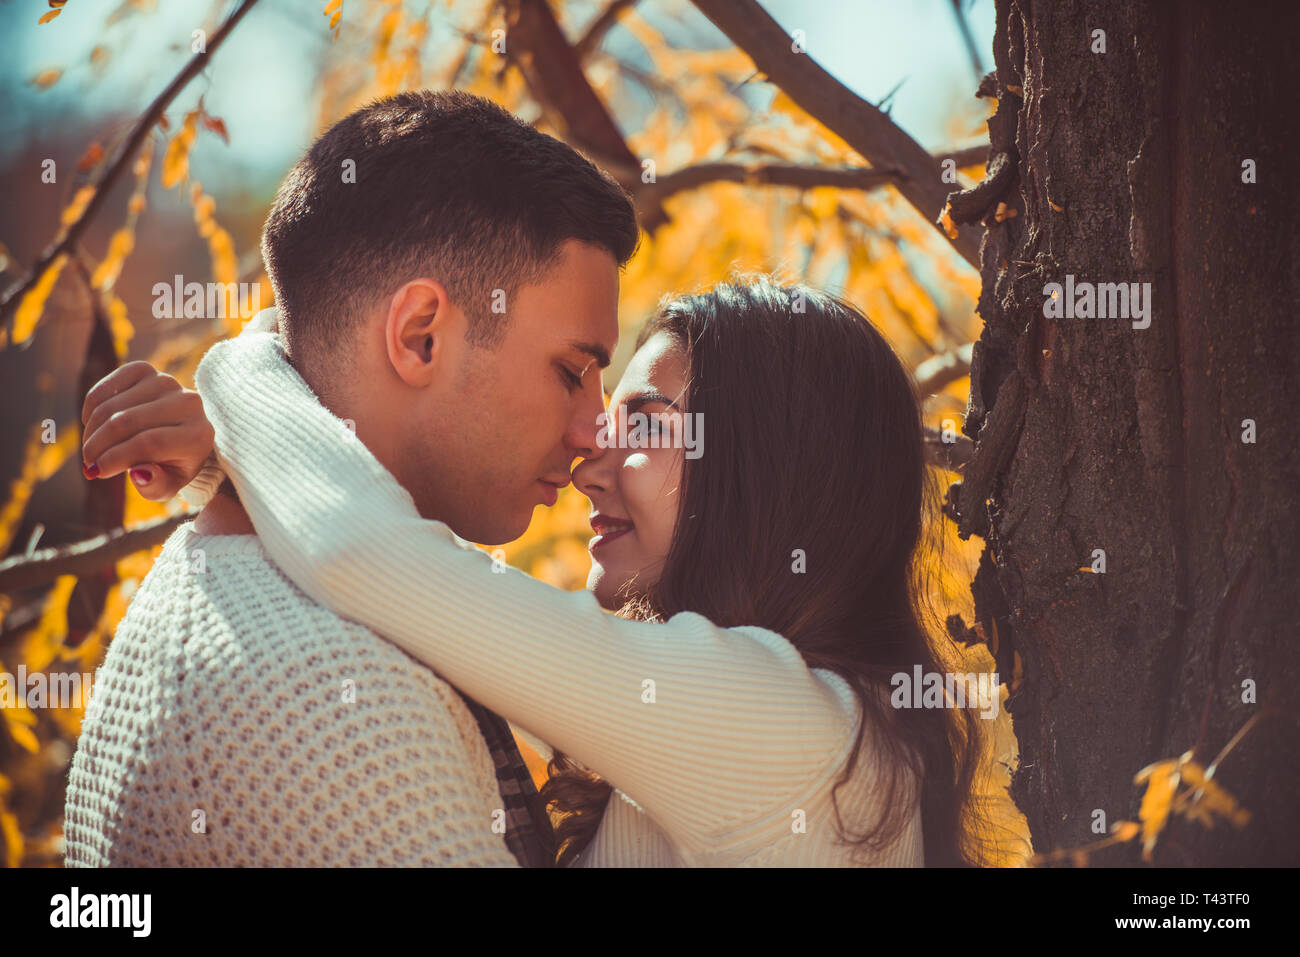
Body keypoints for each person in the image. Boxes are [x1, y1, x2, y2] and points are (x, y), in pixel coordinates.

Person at [89, 272, 995, 866]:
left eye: (642, 423)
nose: (588, 460)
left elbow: (375, 558)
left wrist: (251, 366)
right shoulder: (818, 720)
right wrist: (230, 477)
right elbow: (427, 605)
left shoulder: (787, 725)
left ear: (772, 462)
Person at [65, 89, 639, 866]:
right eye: (573, 370)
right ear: (419, 336)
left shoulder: (268, 591)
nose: (592, 429)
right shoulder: (329, 703)